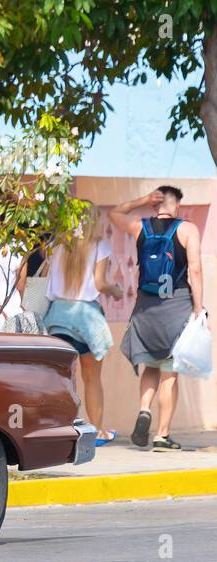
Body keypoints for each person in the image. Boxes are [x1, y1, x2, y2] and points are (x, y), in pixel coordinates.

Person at [110, 186, 205, 451]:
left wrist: (141, 200)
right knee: (170, 372)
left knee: (151, 366)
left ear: (156, 205)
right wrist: (198, 308)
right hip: (176, 306)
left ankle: (144, 411)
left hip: (145, 307)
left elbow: (115, 214)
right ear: (177, 205)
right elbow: (194, 271)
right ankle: (162, 435)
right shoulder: (188, 230)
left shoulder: (140, 227)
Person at [41, 208, 124, 445]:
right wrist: (115, 290)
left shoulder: (57, 244)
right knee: (92, 377)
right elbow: (100, 283)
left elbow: (45, 278)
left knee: (62, 378)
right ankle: (97, 431)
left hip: (57, 315)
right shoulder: (100, 246)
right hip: (86, 318)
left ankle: (62, 428)